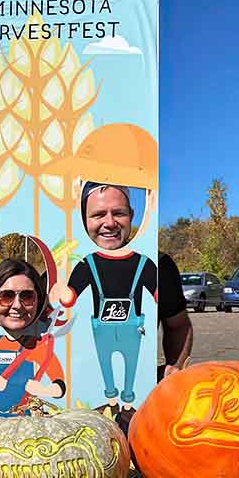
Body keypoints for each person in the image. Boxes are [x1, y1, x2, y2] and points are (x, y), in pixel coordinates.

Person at [54, 181, 192, 431]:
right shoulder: (76, 264)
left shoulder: (157, 264)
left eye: (118, 213)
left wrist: (175, 367)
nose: (109, 222)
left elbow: (178, 324)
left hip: (140, 408)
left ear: (132, 216)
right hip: (76, 409)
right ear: (82, 219)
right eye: (98, 215)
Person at [0, 259, 65, 416]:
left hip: (24, 419)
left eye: (27, 296)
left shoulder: (38, 347)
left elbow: (59, 385)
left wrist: (43, 390)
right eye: (6, 296)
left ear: (39, 302)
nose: (17, 305)